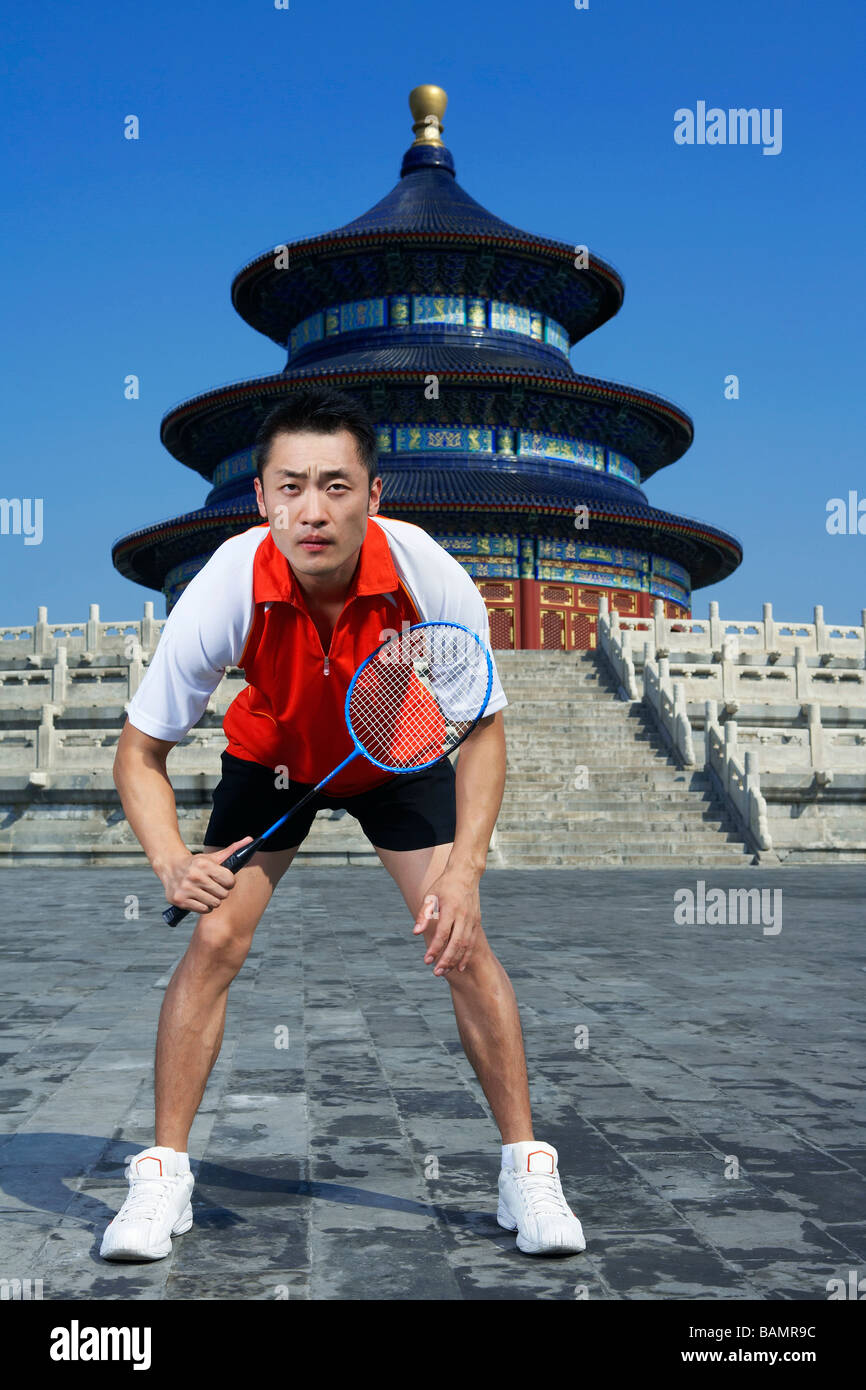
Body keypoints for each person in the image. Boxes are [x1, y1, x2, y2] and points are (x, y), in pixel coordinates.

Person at [100, 385, 586, 1262]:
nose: (311, 510)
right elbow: (140, 753)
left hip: (392, 744)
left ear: (373, 494)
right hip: (276, 757)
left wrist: (464, 873)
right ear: (261, 499)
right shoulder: (227, 584)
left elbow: (481, 732)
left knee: (459, 942)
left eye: (335, 485)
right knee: (214, 944)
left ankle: (527, 1168)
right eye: (290, 487)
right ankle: (163, 1174)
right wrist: (173, 861)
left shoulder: (424, 569)